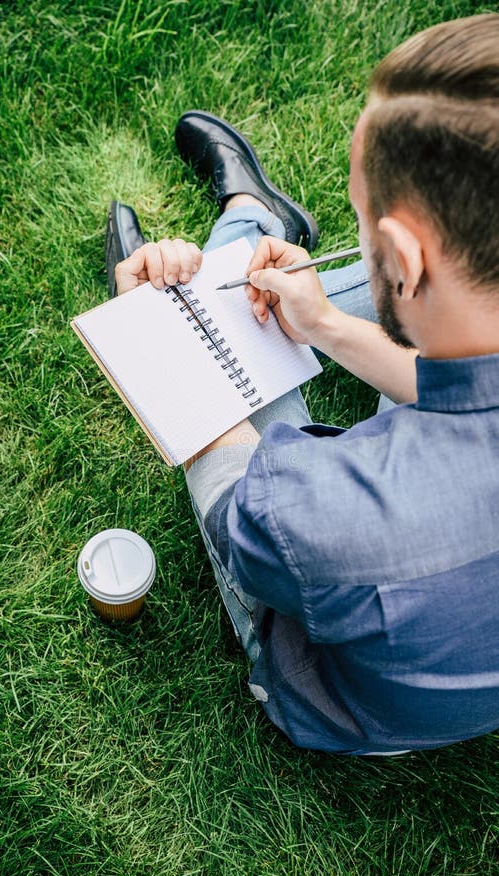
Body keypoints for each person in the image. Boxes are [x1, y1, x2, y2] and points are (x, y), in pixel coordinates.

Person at [104, 13, 499, 755]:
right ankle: (245, 231)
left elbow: (245, 512)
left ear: (405, 258)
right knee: (309, 305)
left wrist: (161, 348)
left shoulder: (325, 512)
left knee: (224, 378)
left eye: (360, 220)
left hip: (353, 703)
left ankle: (237, 227)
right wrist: (324, 326)